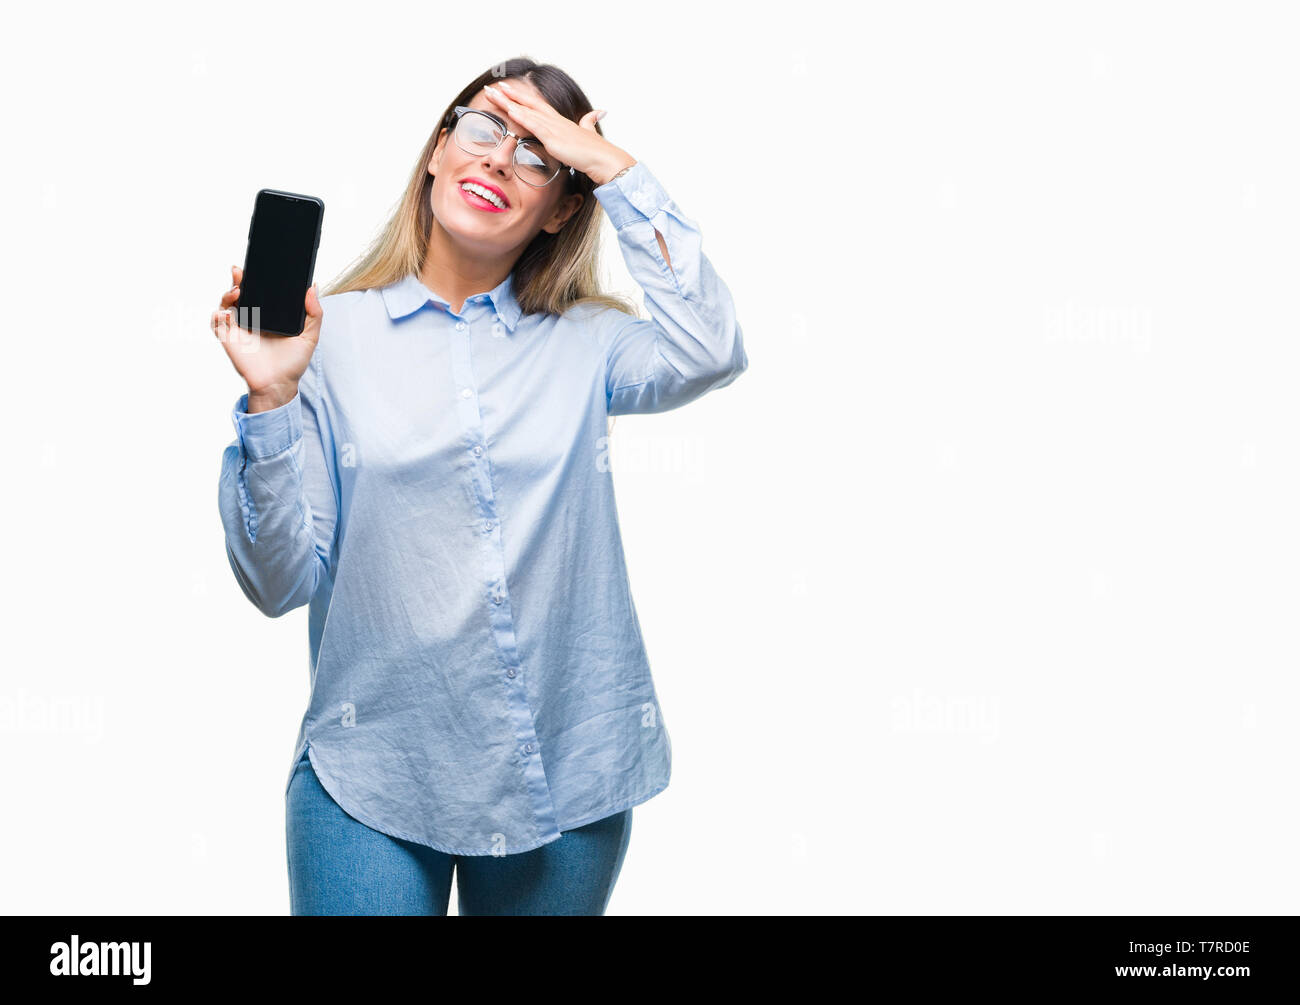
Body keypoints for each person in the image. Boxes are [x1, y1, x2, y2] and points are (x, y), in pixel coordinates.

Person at [210, 58, 748, 915]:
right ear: (437, 151)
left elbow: (711, 349)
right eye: (485, 129)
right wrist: (271, 400)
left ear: (563, 207)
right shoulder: (325, 339)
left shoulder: (591, 342)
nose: (499, 160)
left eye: (538, 154)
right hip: (372, 778)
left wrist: (611, 166)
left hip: (565, 773)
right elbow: (278, 583)